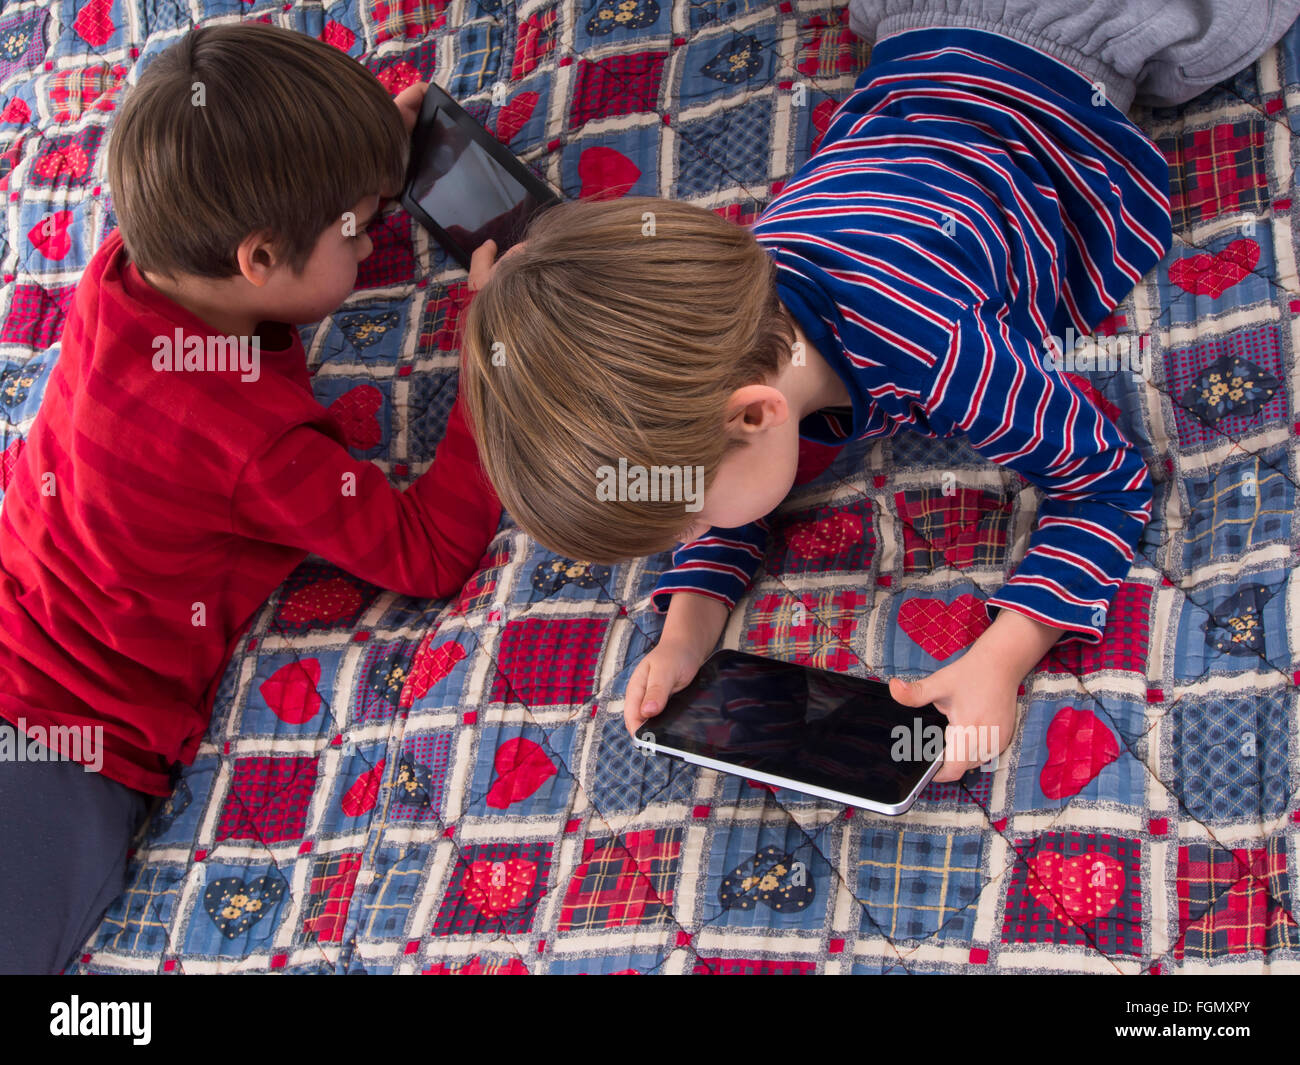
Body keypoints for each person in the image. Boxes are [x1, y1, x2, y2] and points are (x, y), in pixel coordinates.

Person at [457, 2, 1299, 784]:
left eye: (686, 519)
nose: (689, 539)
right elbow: (739, 478)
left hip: (1059, 59)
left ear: (757, 413)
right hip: (919, 42)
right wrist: (688, 628)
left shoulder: (937, 347)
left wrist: (1003, 656)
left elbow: (1106, 481)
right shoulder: (732, 310)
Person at [0, 23, 501, 973]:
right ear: (258, 259)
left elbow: (233, 182)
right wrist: (489, 357)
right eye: (358, 228)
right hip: (61, 740)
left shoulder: (125, 264)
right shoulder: (254, 446)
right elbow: (431, 550)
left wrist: (349, 166)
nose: (371, 237)